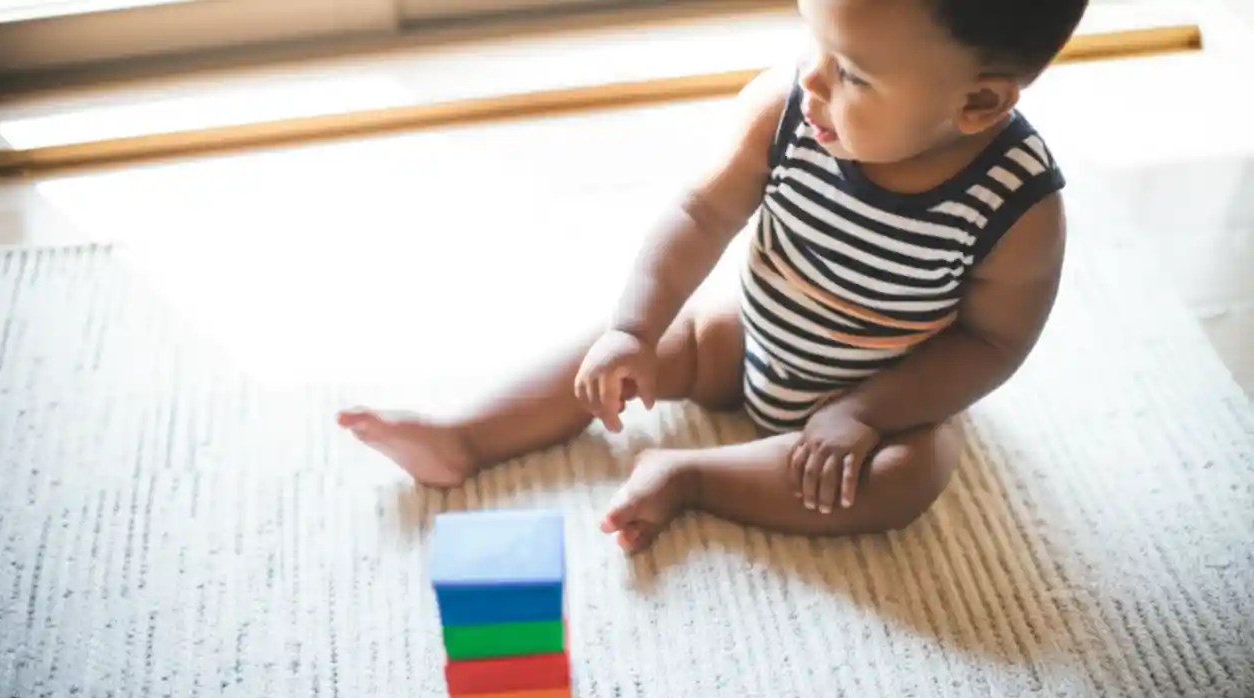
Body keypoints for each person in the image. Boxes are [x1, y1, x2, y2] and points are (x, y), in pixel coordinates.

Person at [338, 0, 1088, 553]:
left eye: (853, 74)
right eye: (813, 39)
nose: (814, 81)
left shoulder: (1017, 208)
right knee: (631, 346)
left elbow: (993, 344)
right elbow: (700, 214)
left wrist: (868, 410)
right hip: (752, 339)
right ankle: (467, 435)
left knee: (907, 479)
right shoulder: (786, 109)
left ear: (979, 101)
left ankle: (692, 475)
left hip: (885, 394)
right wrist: (636, 327)